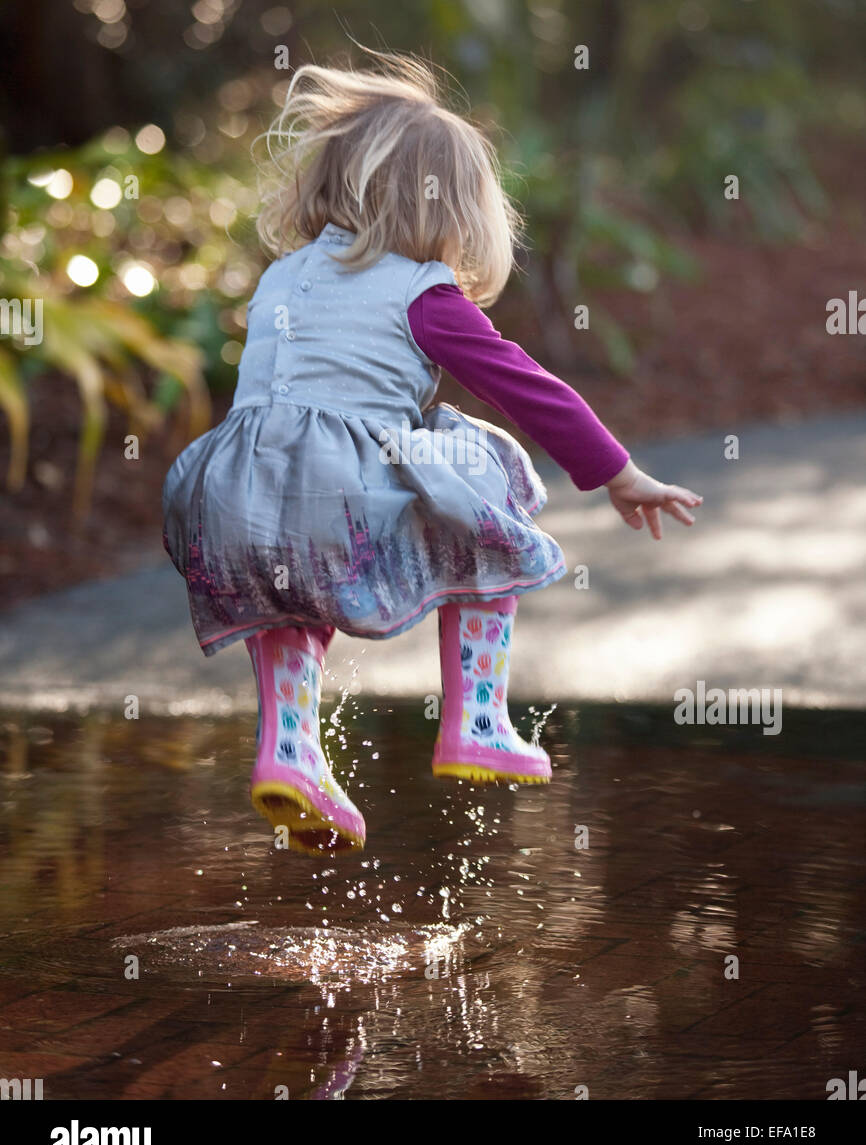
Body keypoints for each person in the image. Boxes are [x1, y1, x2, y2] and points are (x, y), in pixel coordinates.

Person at [162, 54, 702, 856]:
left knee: (292, 598)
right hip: (327, 499)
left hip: (223, 501)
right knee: (480, 479)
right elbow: (528, 388)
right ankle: (477, 721)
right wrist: (619, 472)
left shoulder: (281, 276)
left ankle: (290, 752)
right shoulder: (423, 294)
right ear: (450, 206)